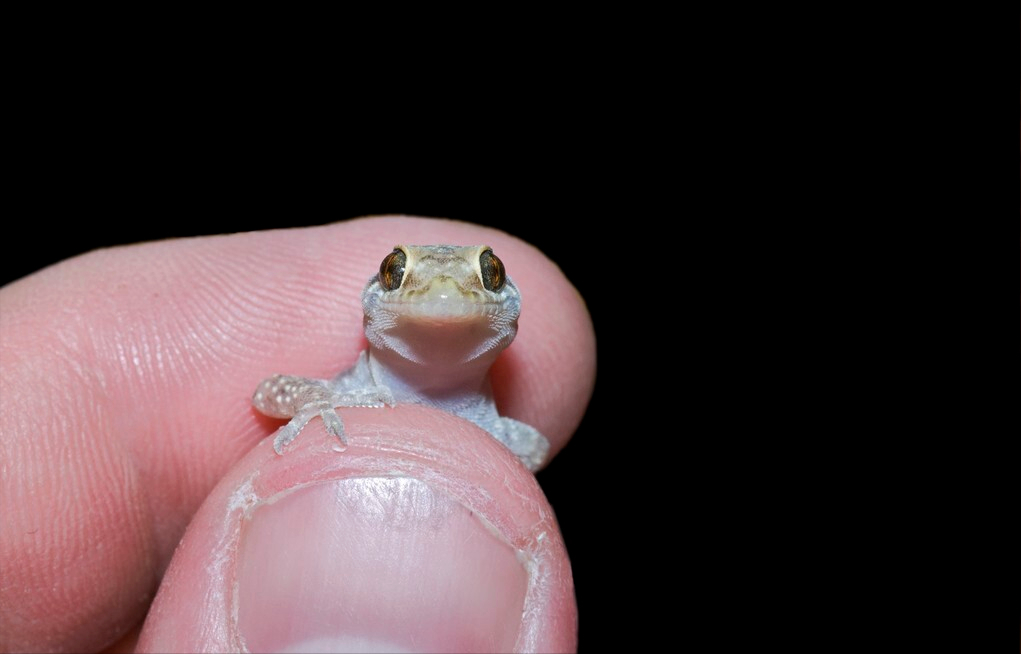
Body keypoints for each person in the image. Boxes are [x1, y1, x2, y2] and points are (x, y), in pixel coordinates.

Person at [0, 216, 595, 653]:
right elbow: (267, 395)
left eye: (487, 275)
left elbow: (535, 449)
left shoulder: (508, 437)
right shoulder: (339, 392)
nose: (445, 292)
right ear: (372, 304)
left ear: (510, 309)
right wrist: (317, 400)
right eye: (399, 273)